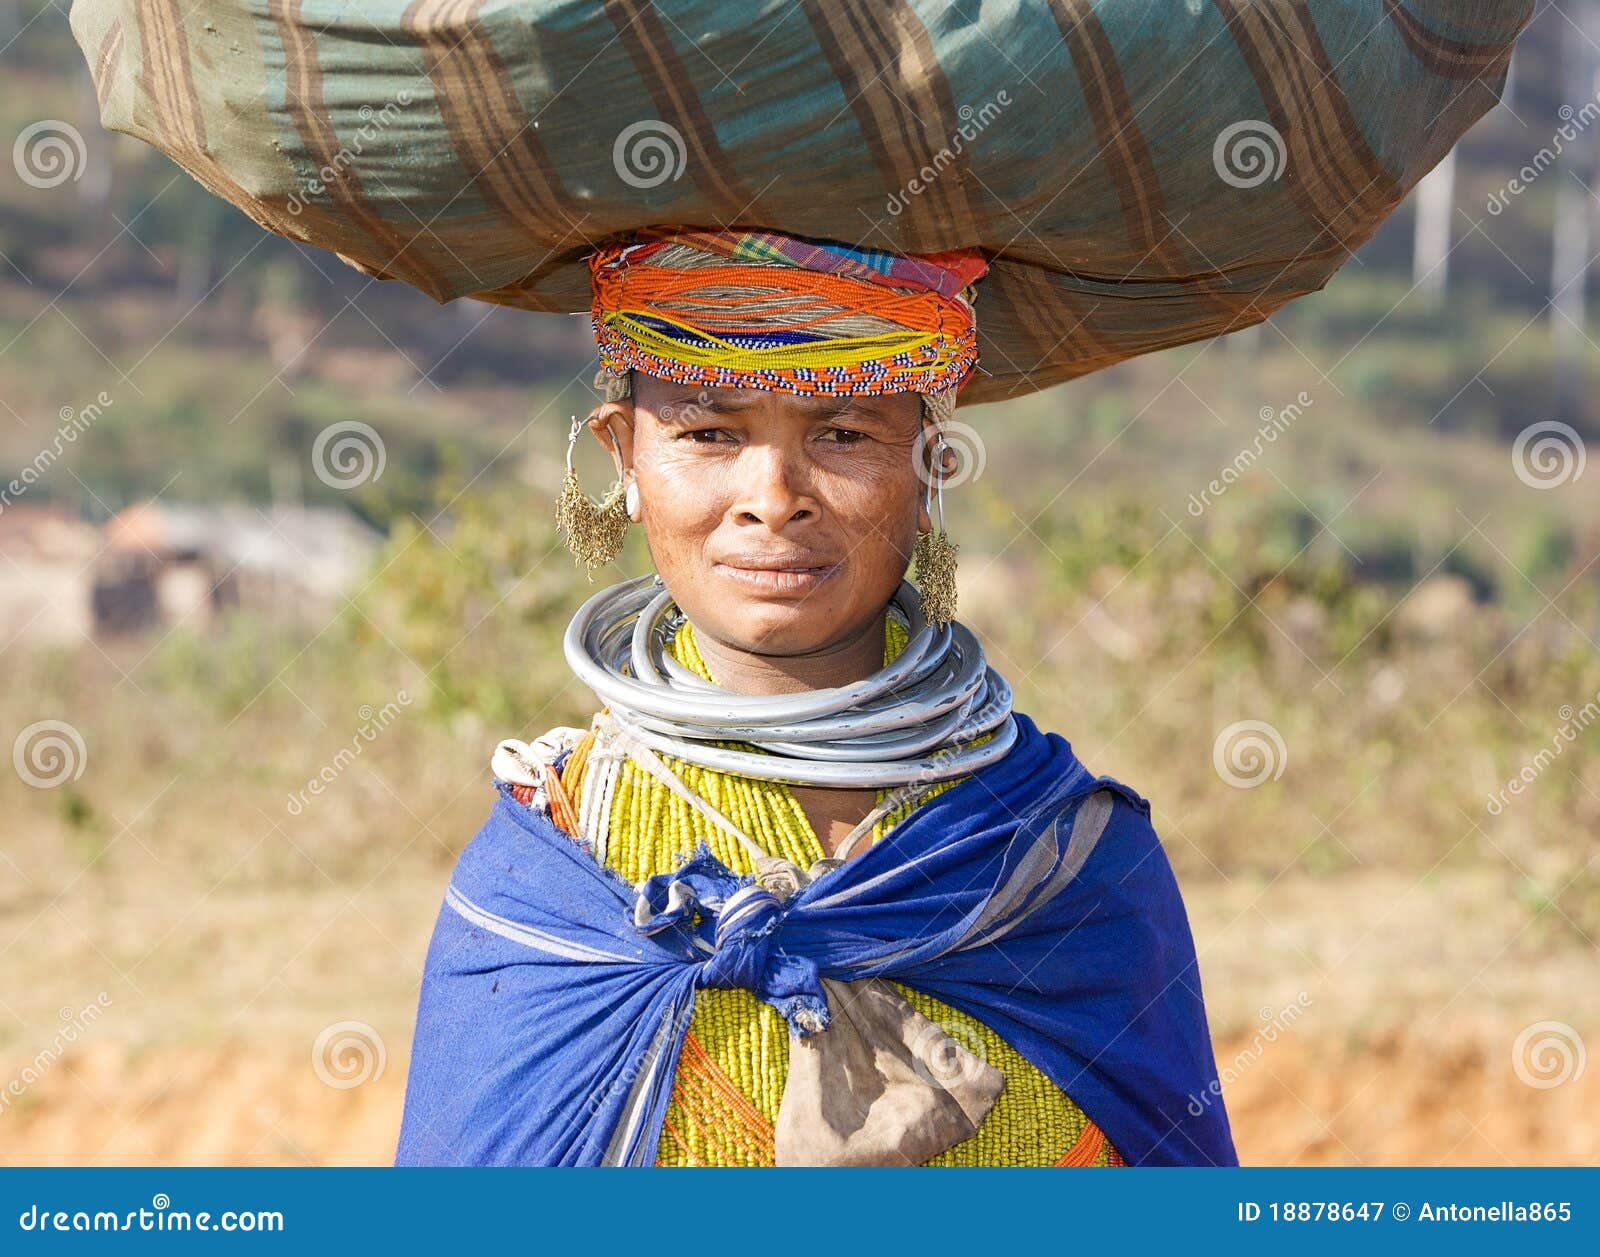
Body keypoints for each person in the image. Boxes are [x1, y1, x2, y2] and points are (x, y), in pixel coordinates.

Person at [394, 226, 1237, 1167]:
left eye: (842, 433)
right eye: (711, 432)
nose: (773, 495)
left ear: (931, 467)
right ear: (624, 457)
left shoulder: (1065, 865)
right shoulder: (555, 871)